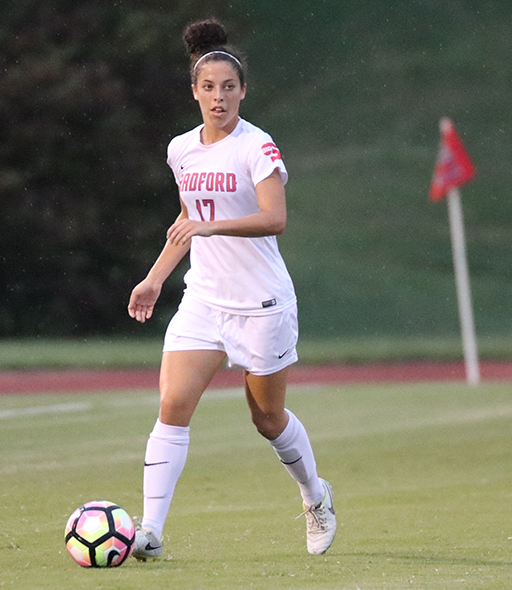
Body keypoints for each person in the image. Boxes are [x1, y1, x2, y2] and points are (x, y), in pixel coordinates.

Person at [126, 18, 336, 560]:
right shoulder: (181, 149)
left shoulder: (256, 146)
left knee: (267, 419)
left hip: (261, 304)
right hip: (203, 299)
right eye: (208, 87)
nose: (218, 97)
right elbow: (187, 219)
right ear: (194, 92)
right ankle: (151, 532)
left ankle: (315, 496)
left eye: (228, 87)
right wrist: (155, 278)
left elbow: (274, 218)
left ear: (243, 92)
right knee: (173, 404)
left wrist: (209, 227)